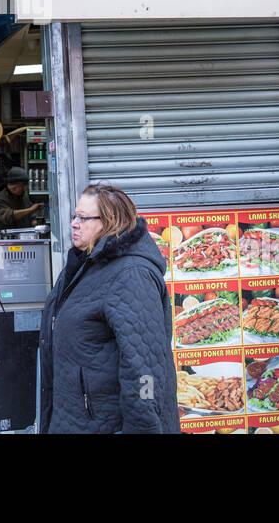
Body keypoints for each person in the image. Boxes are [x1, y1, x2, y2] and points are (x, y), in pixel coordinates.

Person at [37, 184, 179, 433]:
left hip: (106, 424)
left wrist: (143, 429)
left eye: (83, 217)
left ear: (110, 222)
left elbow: (144, 369)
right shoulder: (84, 264)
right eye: (75, 216)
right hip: (76, 419)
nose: (74, 223)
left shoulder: (132, 275)